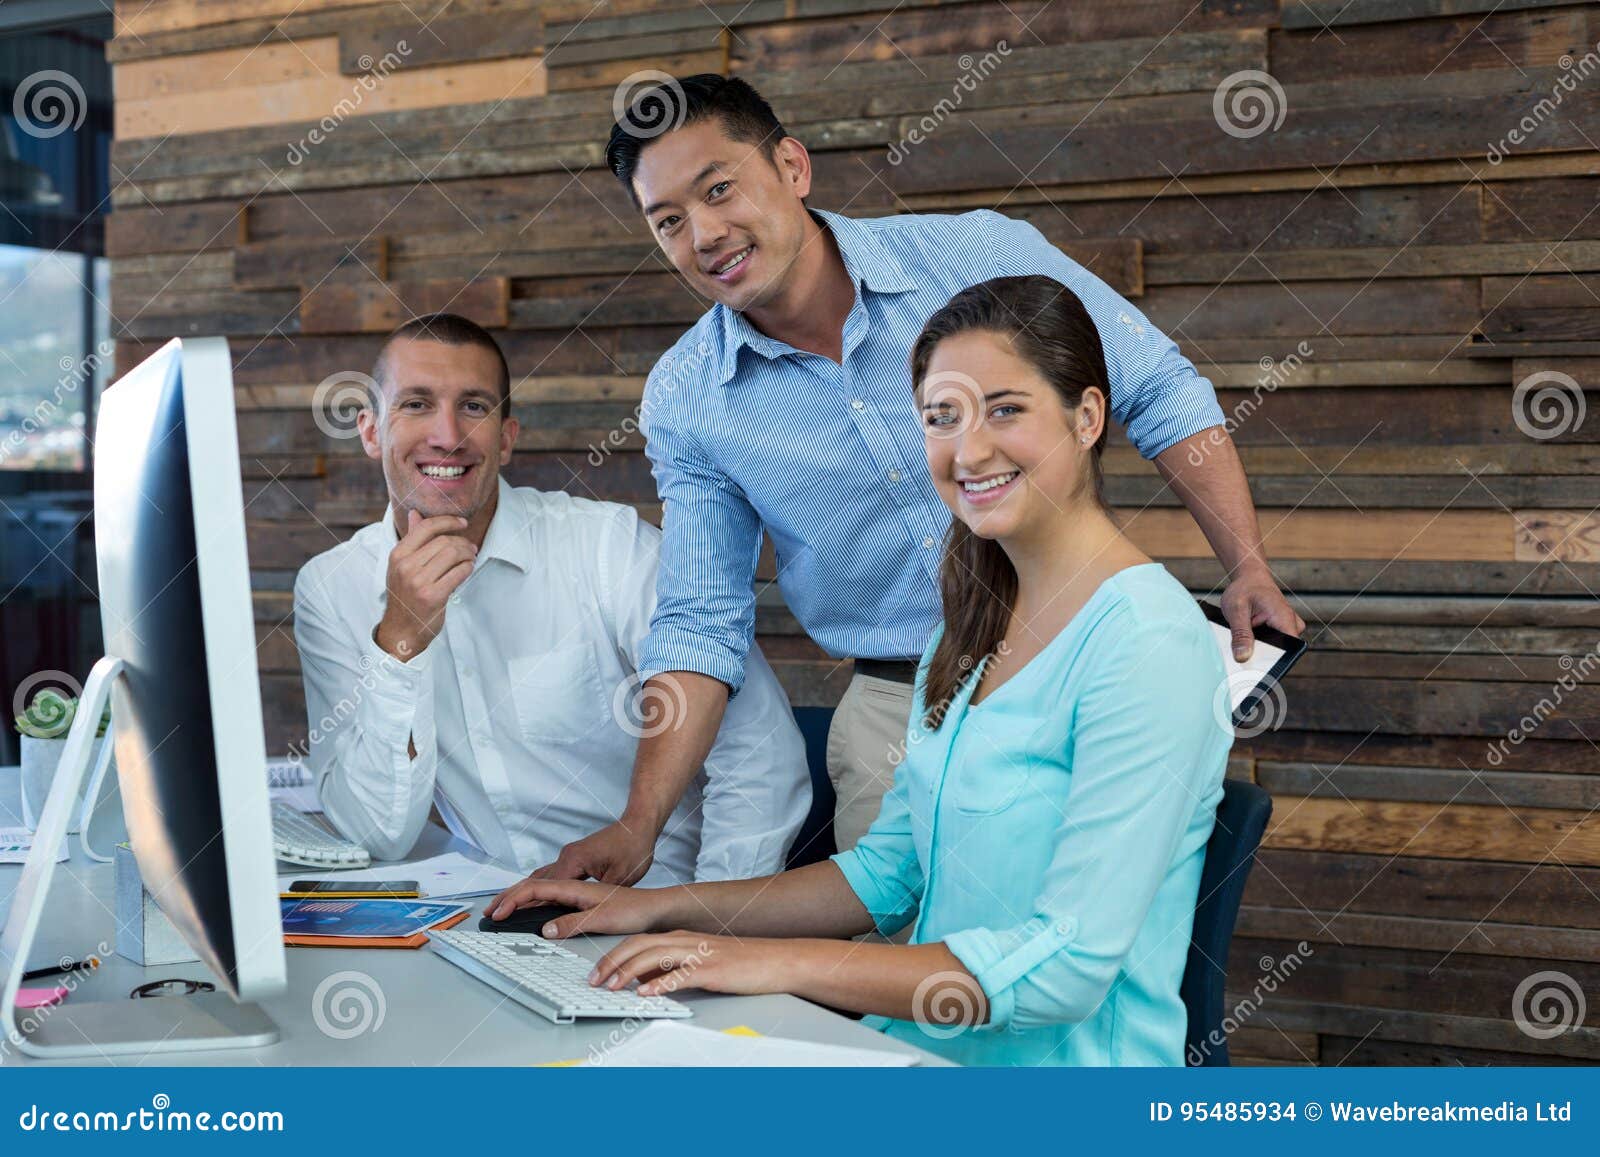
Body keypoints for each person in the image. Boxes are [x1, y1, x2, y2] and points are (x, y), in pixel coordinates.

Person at [538, 74, 1298, 882]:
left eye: (719, 189)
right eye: (669, 222)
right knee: (901, 974)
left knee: (1088, 954)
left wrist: (1245, 562)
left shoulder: (976, 257)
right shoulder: (689, 397)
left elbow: (1157, 387)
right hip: (900, 713)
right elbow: (699, 620)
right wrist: (638, 824)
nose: (706, 234)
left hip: (1087, 670)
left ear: (792, 167)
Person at [486, 276, 1234, 1066]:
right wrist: (653, 911)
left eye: (1005, 408)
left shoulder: (1149, 640)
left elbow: (1064, 968)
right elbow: (887, 874)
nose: (969, 449)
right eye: (942, 417)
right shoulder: (969, 627)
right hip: (919, 1059)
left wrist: (765, 962)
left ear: (1087, 418)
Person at [293, 313, 809, 887]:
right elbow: (378, 834)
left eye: (473, 407)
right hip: (494, 918)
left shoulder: (608, 548)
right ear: (369, 431)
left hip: (657, 909)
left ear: (506, 438)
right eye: (416, 404)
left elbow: (760, 751)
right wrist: (402, 639)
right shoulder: (330, 587)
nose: (448, 435)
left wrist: (706, 928)